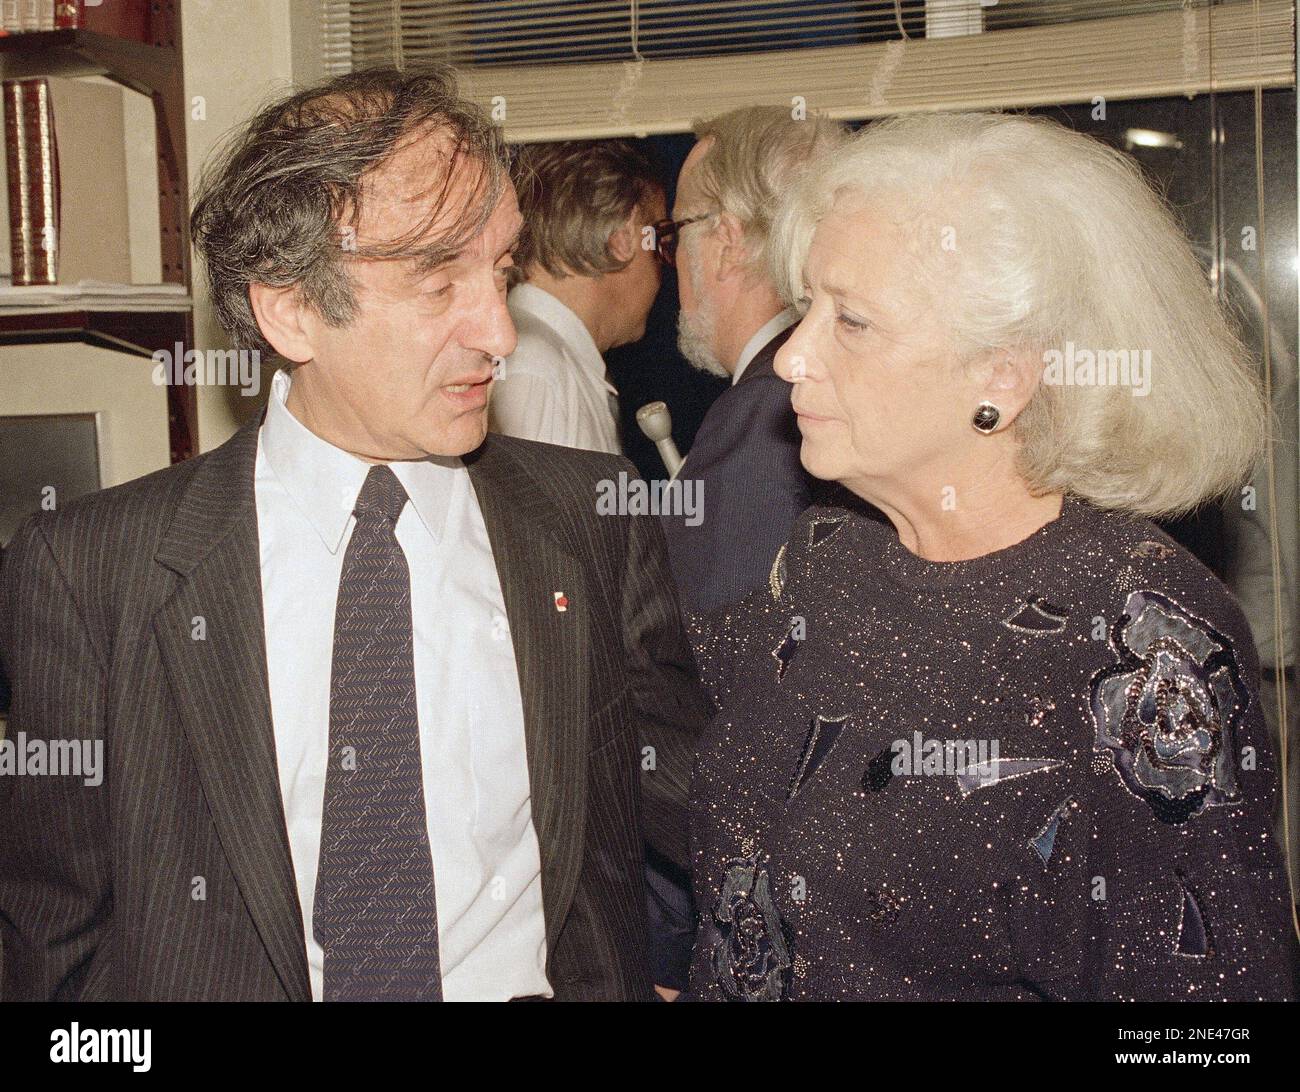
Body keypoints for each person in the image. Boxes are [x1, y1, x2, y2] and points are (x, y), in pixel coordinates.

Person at [0, 66, 709, 1002]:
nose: (499, 332)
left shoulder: (592, 519)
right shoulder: (90, 571)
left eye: (498, 272)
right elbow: (50, 947)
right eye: (436, 280)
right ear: (291, 309)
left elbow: (698, 799)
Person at [687, 111, 1298, 1000]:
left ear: (1003, 376)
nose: (792, 356)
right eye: (805, 305)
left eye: (850, 321)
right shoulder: (827, 558)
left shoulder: (1143, 640)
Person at [659, 106, 844, 615]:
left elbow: (717, 668)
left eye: (673, 235)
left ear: (726, 244)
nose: (669, 261)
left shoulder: (764, 417)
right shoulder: (840, 382)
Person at [489, 140, 666, 454]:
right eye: (658, 236)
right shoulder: (536, 367)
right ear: (623, 238)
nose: (666, 264)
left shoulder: (545, 357)